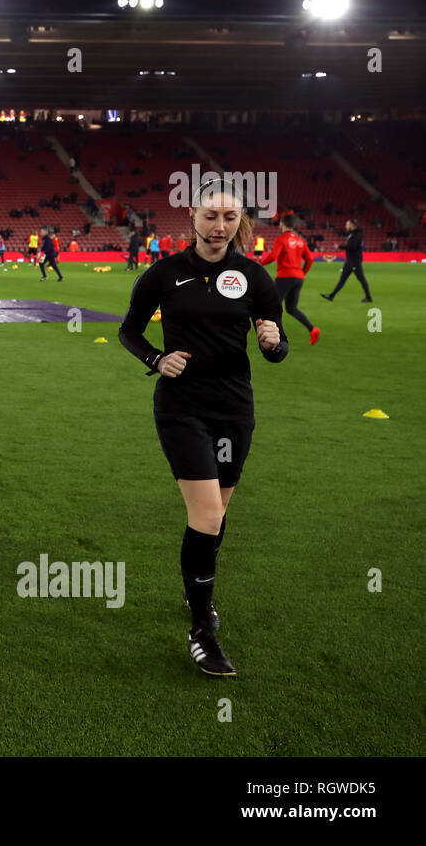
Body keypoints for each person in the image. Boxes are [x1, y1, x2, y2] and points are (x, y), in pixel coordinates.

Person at [118, 178, 288, 677]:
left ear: (240, 222)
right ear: (192, 214)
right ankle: (201, 628)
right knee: (208, 514)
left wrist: (273, 341)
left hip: (234, 408)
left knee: (217, 516)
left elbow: (277, 350)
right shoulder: (165, 274)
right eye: (211, 216)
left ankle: (200, 590)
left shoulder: (255, 278)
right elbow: (129, 329)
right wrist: (157, 357)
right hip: (181, 407)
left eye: (229, 218)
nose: (219, 227)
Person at [260, 214, 319, 344]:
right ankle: (312, 329)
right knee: (291, 308)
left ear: (283, 224)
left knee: (274, 306)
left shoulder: (281, 239)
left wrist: (260, 264)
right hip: (298, 277)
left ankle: (279, 337)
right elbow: (310, 259)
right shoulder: (301, 241)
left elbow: (273, 256)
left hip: (285, 276)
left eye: (280, 223)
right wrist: (302, 272)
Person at [320, 218, 372, 303]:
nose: (346, 226)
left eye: (347, 224)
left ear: (352, 225)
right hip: (349, 261)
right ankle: (331, 296)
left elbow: (353, 246)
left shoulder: (357, 235)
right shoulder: (352, 234)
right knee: (342, 279)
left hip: (355, 261)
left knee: (361, 279)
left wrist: (340, 247)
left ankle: (369, 297)